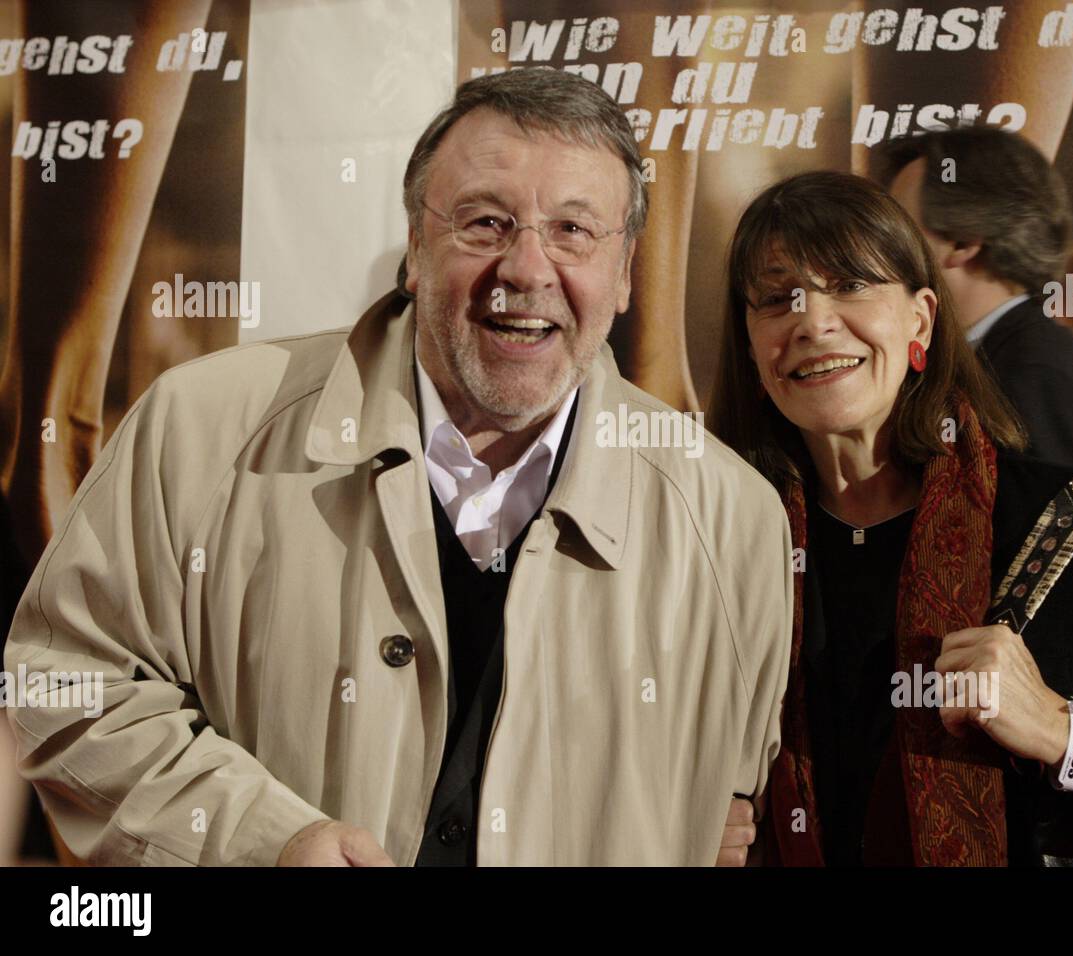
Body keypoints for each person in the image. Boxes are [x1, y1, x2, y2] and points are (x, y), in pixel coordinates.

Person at [3, 69, 787, 867]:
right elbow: (64, 685)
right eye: (485, 222)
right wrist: (264, 842)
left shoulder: (737, 525)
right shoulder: (199, 428)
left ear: (625, 275)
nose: (525, 268)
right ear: (415, 247)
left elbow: (726, 803)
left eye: (573, 232)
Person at [708, 170, 1073, 866]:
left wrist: (1062, 730)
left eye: (851, 284)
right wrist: (672, 829)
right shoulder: (703, 549)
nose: (813, 322)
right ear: (750, 345)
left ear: (920, 319)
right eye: (778, 299)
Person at [883, 127, 1073, 485]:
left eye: (897, 230)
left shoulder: (1037, 376)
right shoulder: (1015, 360)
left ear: (962, 241)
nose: (879, 250)